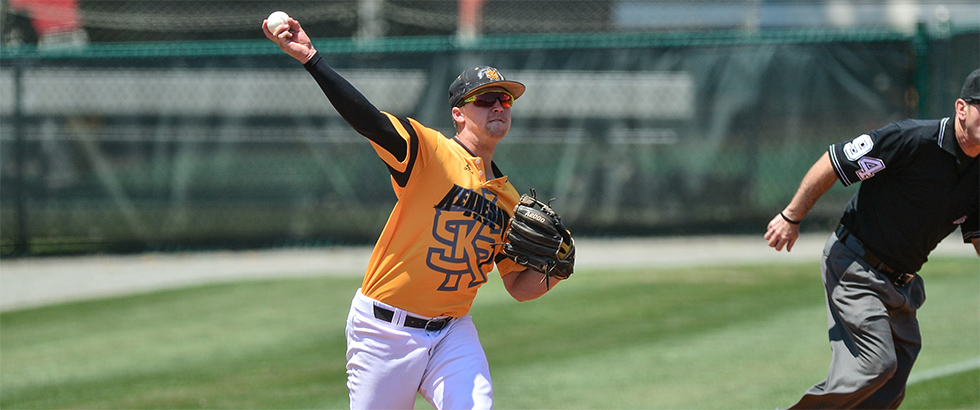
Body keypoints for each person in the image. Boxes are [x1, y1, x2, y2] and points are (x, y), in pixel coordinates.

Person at [263, 15, 572, 410]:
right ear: (459, 113)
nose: (499, 106)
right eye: (486, 99)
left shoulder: (510, 200)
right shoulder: (429, 153)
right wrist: (311, 59)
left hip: (452, 331)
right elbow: (370, 121)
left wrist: (560, 266)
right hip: (383, 330)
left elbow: (519, 286)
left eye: (505, 99)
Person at [764, 68, 980, 409]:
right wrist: (792, 215)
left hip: (903, 288)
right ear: (962, 108)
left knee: (888, 391)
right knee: (874, 365)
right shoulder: (911, 140)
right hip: (856, 266)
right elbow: (836, 162)